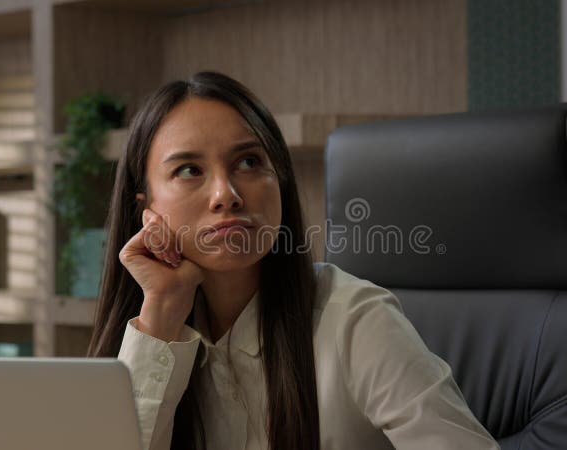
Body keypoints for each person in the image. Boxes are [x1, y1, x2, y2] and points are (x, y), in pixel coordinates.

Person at [87, 71, 500, 450]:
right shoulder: (156, 329)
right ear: (146, 209)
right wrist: (161, 309)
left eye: (249, 162)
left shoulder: (356, 319)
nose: (225, 194)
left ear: (279, 179)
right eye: (190, 169)